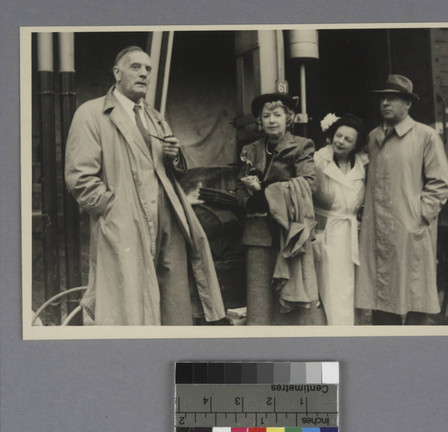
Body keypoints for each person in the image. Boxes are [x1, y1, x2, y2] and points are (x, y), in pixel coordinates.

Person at [65, 46, 225, 325]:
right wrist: (111, 209)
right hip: (125, 219)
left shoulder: (154, 116)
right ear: (117, 73)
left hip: (167, 218)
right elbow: (79, 177)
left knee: (172, 300)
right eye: (136, 67)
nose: (144, 74)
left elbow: (168, 172)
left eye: (148, 69)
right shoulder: (90, 113)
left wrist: (175, 158)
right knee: (128, 302)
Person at [355, 74, 448, 325]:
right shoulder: (374, 137)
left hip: (409, 229)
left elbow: (439, 184)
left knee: (414, 291)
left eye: (393, 99)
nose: (385, 103)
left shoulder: (425, 136)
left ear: (408, 104)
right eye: (383, 99)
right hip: (377, 230)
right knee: (381, 297)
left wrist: (419, 216)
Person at [235, 93, 325, 325]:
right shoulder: (250, 150)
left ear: (289, 118)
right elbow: (239, 190)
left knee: (291, 301)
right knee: (259, 303)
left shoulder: (302, 146)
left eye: (278, 114)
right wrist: (249, 201)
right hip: (257, 235)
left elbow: (308, 183)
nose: (272, 120)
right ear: (259, 121)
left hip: (289, 234)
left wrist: (267, 193)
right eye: (266, 116)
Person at [313, 113, 368, 325]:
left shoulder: (361, 166)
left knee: (349, 291)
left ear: (356, 146)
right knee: (329, 290)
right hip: (325, 234)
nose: (341, 142)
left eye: (348, 139)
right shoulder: (318, 160)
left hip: (351, 234)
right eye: (339, 135)